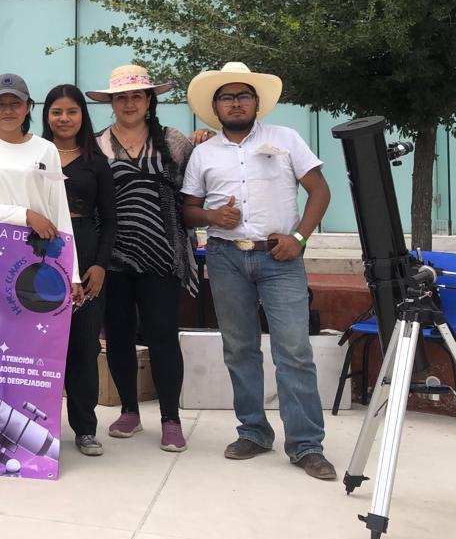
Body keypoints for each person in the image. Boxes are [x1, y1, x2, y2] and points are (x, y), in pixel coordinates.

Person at [181, 61, 335, 480]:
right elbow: (188, 209)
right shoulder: (203, 152)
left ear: (256, 102)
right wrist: (213, 216)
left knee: (295, 352)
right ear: (215, 107)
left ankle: (306, 445)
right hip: (226, 257)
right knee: (240, 348)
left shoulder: (286, 139)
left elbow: (320, 190)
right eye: (227, 97)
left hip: (280, 256)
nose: (236, 103)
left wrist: (299, 238)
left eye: (242, 95)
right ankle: (253, 430)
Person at [88, 65, 203, 453]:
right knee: (118, 335)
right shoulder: (98, 143)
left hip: (163, 253)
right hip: (113, 255)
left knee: (162, 335)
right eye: (121, 97)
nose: (129, 103)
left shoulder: (174, 142)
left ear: (150, 100)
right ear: (112, 103)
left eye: (137, 95)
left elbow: (195, 189)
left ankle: (170, 418)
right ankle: (129, 410)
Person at [42, 84, 116, 457]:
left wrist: (100, 264)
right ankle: (40, 425)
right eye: (57, 112)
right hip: (40, 252)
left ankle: (85, 428)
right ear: (46, 116)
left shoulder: (95, 160)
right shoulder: (34, 154)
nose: (64, 118)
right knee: (38, 345)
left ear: (82, 116)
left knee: (84, 345)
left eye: (71, 111)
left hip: (85, 249)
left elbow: (110, 220)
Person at [0, 73, 79, 288]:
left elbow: (59, 209)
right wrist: (26, 216)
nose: (7, 110)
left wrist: (73, 272)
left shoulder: (46, 149)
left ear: (28, 107)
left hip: (40, 252)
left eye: (15, 104)